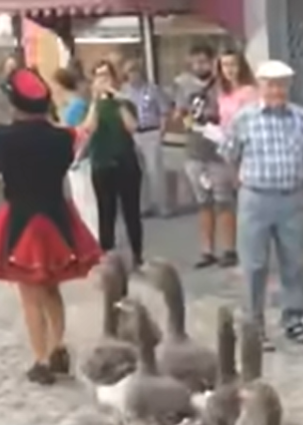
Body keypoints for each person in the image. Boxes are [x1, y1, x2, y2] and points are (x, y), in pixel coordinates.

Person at [0, 67, 103, 386]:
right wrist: (98, 97)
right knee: (51, 287)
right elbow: (88, 129)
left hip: (19, 218)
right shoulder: (61, 137)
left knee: (29, 295)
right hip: (56, 215)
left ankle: (41, 358)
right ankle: (58, 346)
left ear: (14, 104)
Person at [221, 60, 303, 346]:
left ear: (289, 87)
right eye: (270, 85)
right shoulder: (244, 118)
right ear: (260, 86)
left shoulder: (302, 117)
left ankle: (295, 319)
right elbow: (229, 153)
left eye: (282, 85)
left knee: (294, 262)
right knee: (254, 264)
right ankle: (254, 326)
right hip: (255, 199)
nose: (277, 90)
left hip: (292, 199)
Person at [173, 44, 237, 269]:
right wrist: (187, 121)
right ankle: (206, 250)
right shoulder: (183, 84)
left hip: (218, 152)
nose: (199, 66)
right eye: (195, 62)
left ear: (212, 62)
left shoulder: (223, 84)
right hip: (194, 150)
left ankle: (229, 249)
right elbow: (179, 113)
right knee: (203, 204)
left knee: (224, 202)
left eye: (203, 61)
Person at [83, 60, 145, 269]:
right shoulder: (92, 105)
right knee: (105, 210)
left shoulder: (124, 102)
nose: (103, 80)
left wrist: (117, 102)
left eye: (107, 76)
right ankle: (106, 254)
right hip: (101, 162)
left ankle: (137, 253)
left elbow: (132, 127)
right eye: (98, 76)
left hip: (125, 161)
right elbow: (88, 129)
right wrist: (95, 102)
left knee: (131, 211)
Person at [206, 49, 258, 269]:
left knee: (248, 205)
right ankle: (230, 249)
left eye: (233, 65)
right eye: (225, 65)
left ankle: (252, 248)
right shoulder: (222, 94)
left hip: (246, 152)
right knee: (224, 202)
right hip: (224, 149)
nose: (229, 70)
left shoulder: (250, 92)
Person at [120, 58, 169, 219]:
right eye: (129, 72)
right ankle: (144, 206)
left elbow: (163, 110)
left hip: (151, 132)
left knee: (155, 171)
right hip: (133, 134)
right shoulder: (124, 92)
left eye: (135, 71)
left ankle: (162, 206)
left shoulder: (152, 90)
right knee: (138, 172)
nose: (133, 76)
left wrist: (162, 131)